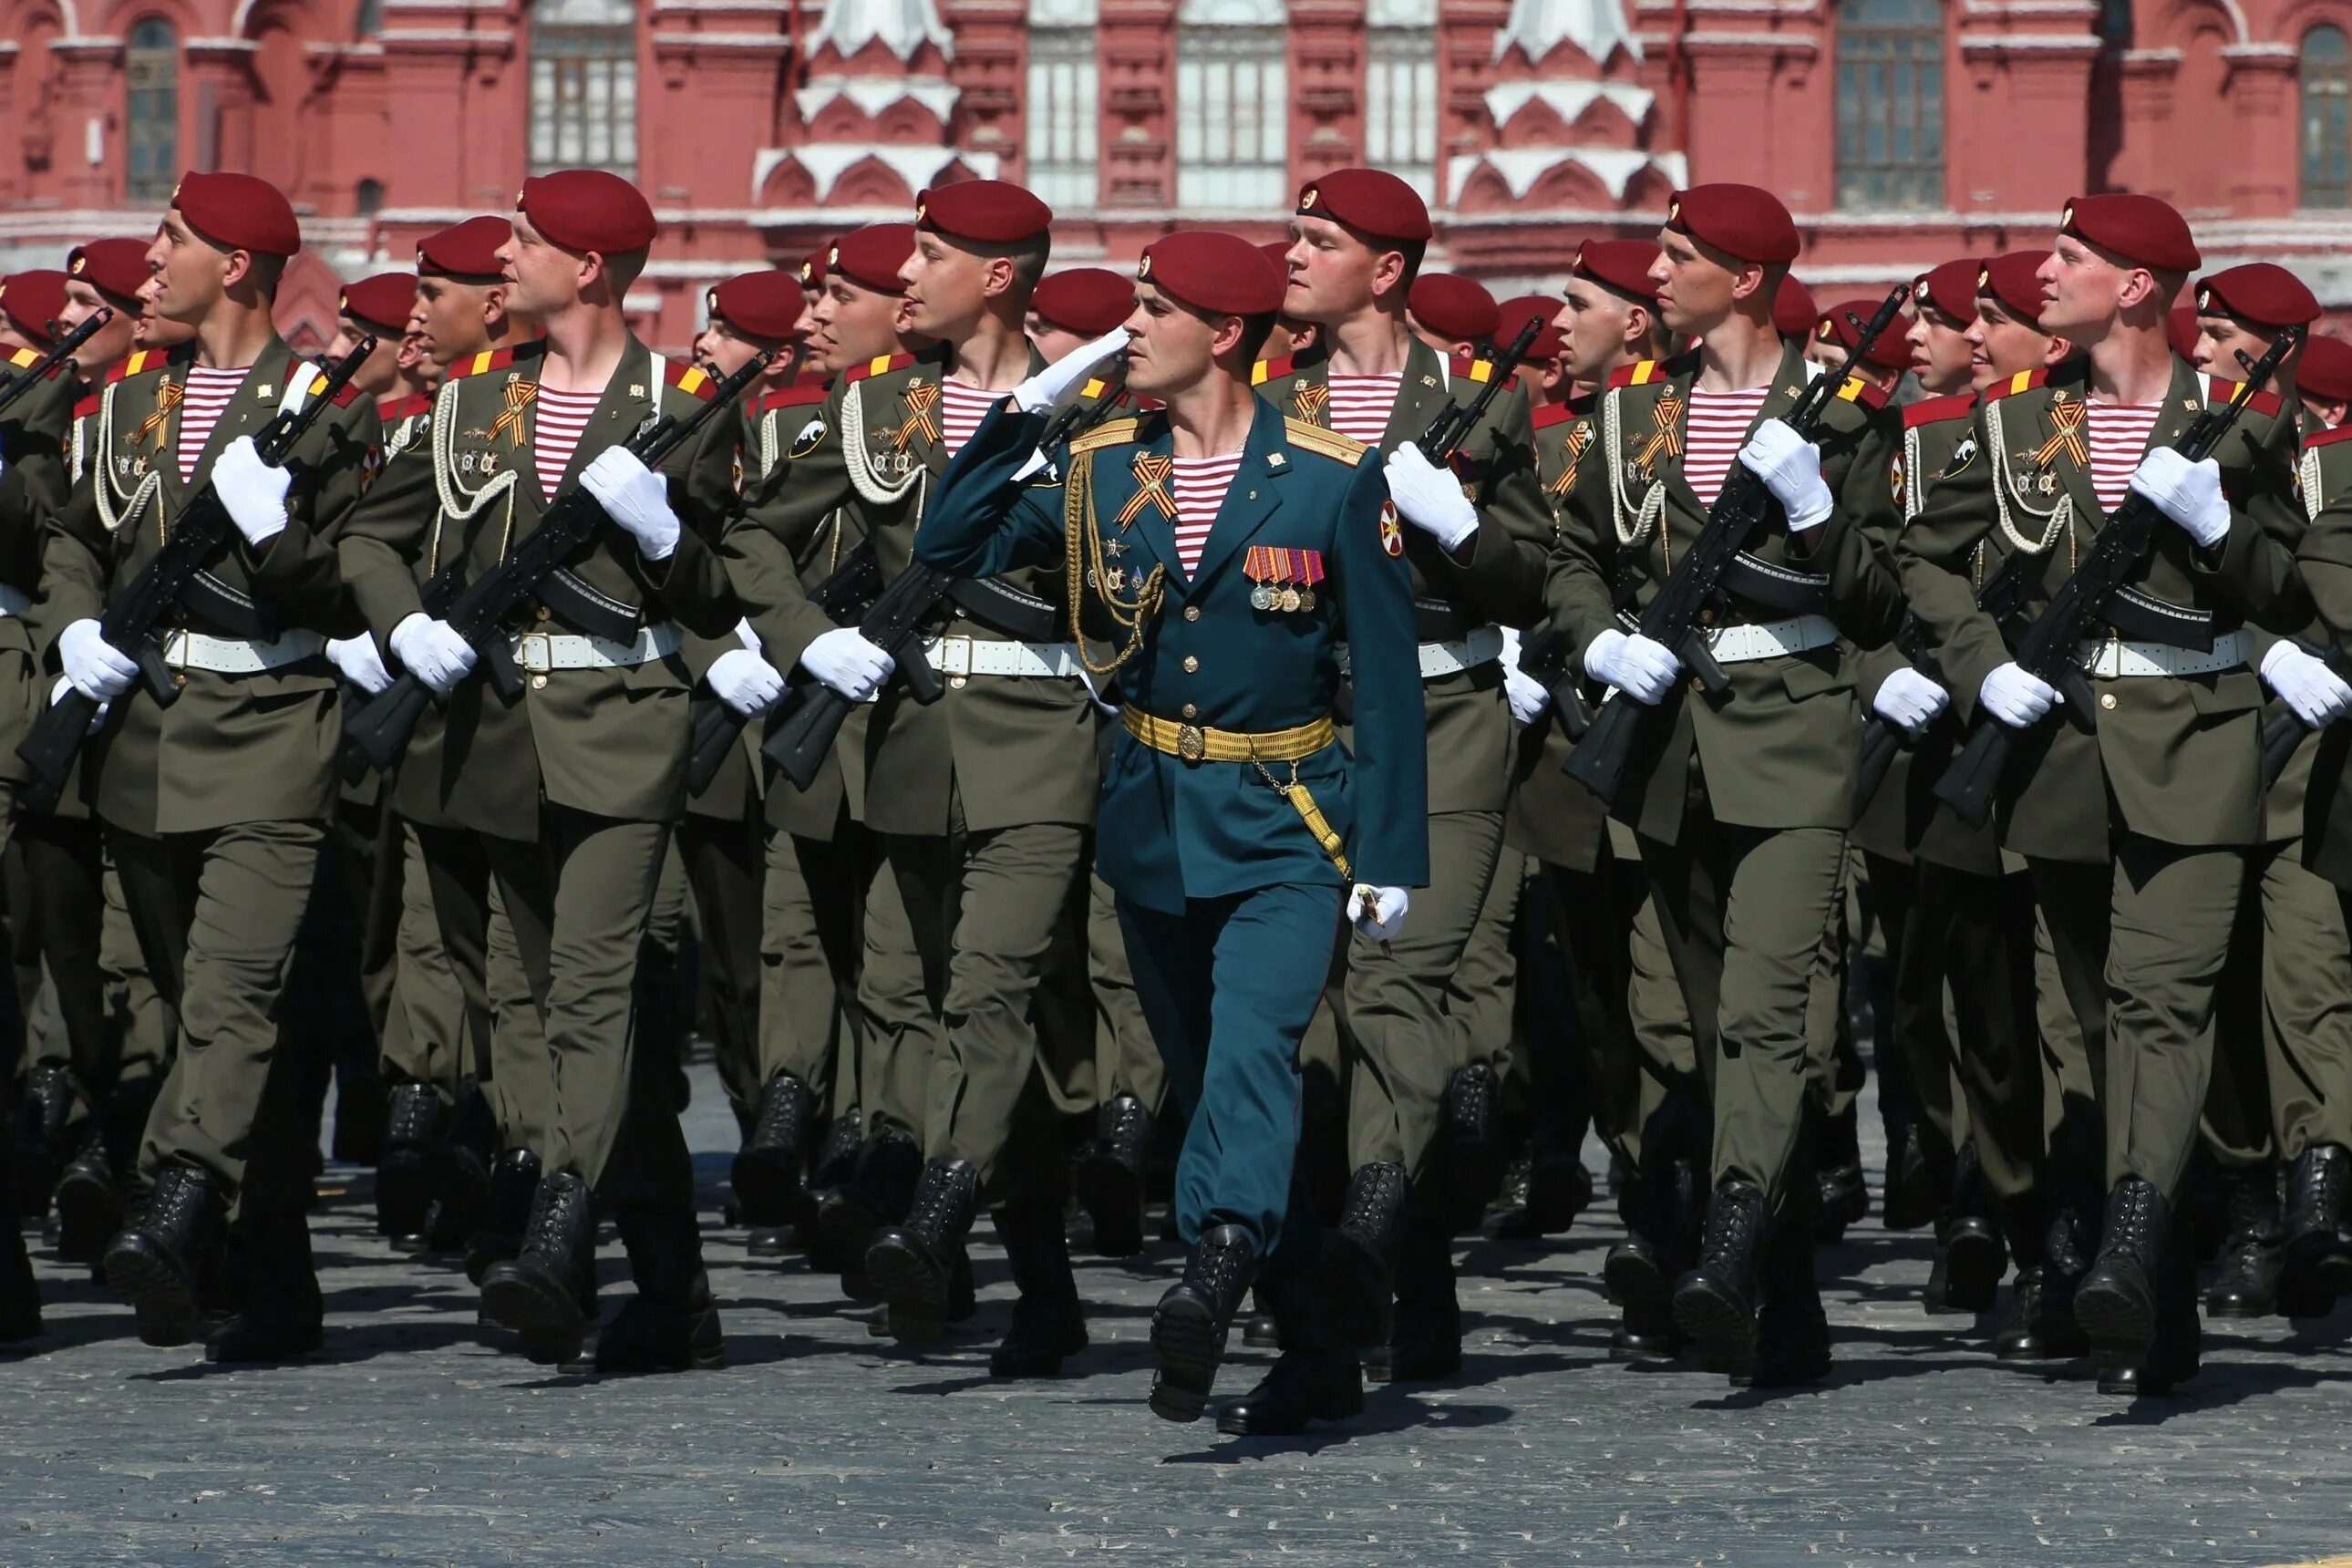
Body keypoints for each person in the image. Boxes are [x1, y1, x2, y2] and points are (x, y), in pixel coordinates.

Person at [913, 228, 1427, 1435]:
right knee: (1215, 1085)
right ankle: (1316, 1343)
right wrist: (1020, 417)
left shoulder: (1331, 475)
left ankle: (1214, 1263)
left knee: (1253, 1052)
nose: (1126, 330)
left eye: (1152, 310)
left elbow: (1391, 683)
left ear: (1228, 333)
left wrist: (1393, 854)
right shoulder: (1099, 467)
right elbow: (946, 549)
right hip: (1151, 821)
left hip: (1290, 822)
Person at [1899, 195, 2306, 1396]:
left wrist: (2221, 523)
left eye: (2072, 259)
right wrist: (1985, 669)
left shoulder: (2245, 425)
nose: (2047, 274)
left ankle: (2135, 1231)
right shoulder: (2023, 422)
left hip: (2195, 743)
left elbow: (2291, 591)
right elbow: (1927, 554)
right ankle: (2150, 1287)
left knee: (2161, 1002)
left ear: (2138, 285)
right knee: (2085, 1025)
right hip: (2061, 754)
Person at [342, 170, 742, 1371]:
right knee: (531, 1008)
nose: (500, 257)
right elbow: (372, 531)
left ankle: (563, 1227)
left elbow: (726, 583)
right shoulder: (473, 405)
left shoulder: (684, 403)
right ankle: (672, 1292)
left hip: (625, 720)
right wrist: (401, 618)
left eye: (525, 240)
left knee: (591, 988)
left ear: (590, 269)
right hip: (495, 731)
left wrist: (670, 534)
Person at [728, 183, 1105, 1368]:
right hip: (907, 740)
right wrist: (802, 637)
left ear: (1000, 276)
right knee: (908, 1003)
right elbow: (752, 534)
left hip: (1043, 736)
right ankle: (1038, 1288)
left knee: (989, 995)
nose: (906, 274)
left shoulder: (1098, 411)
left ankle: (938, 1218)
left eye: (931, 254)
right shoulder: (875, 409)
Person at [1544, 183, 1903, 1387]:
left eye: (1680, 254)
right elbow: (1574, 557)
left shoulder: (1846, 421)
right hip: (1664, 749)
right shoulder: (1634, 414)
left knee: (1766, 1015)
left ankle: (1738, 1230)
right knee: (1694, 1032)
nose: (1656, 270)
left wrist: (1815, 510)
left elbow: (1877, 598)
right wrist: (1596, 638)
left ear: (1744, 280)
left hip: (1796, 740)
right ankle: (1784, 1294)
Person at [51, 171, 381, 1360]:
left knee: (238, 1001)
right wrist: (75, 623)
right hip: (142, 743)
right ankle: (271, 1278)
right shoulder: (138, 400)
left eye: (174, 239)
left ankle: (182, 1199)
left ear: (236, 263)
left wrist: (276, 536)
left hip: (270, 732)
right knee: (210, 1019)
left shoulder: (325, 408)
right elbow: (76, 538)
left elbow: (350, 585)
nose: (149, 259)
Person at [1256, 168, 1551, 1377]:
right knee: (1318, 1025)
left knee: (1398, 985)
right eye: (1295, 235)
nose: (1293, 256)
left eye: (1318, 241)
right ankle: (1401, 1287)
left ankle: (1377, 1218)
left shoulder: (1483, 405)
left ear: (1386, 270)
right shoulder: (1271, 402)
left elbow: (1535, 580)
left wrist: (1462, 530)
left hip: (1443, 717)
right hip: (1309, 729)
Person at [2182, 262, 2352, 1326]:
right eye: (2196, 329)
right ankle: (2245, 1209)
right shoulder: (2166, 452)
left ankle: (2318, 1200)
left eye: (2222, 334)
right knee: (2213, 997)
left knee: (2305, 985)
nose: (2200, 348)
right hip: (2188, 765)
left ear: (2274, 354)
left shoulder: (2324, 464)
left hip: (2298, 778)